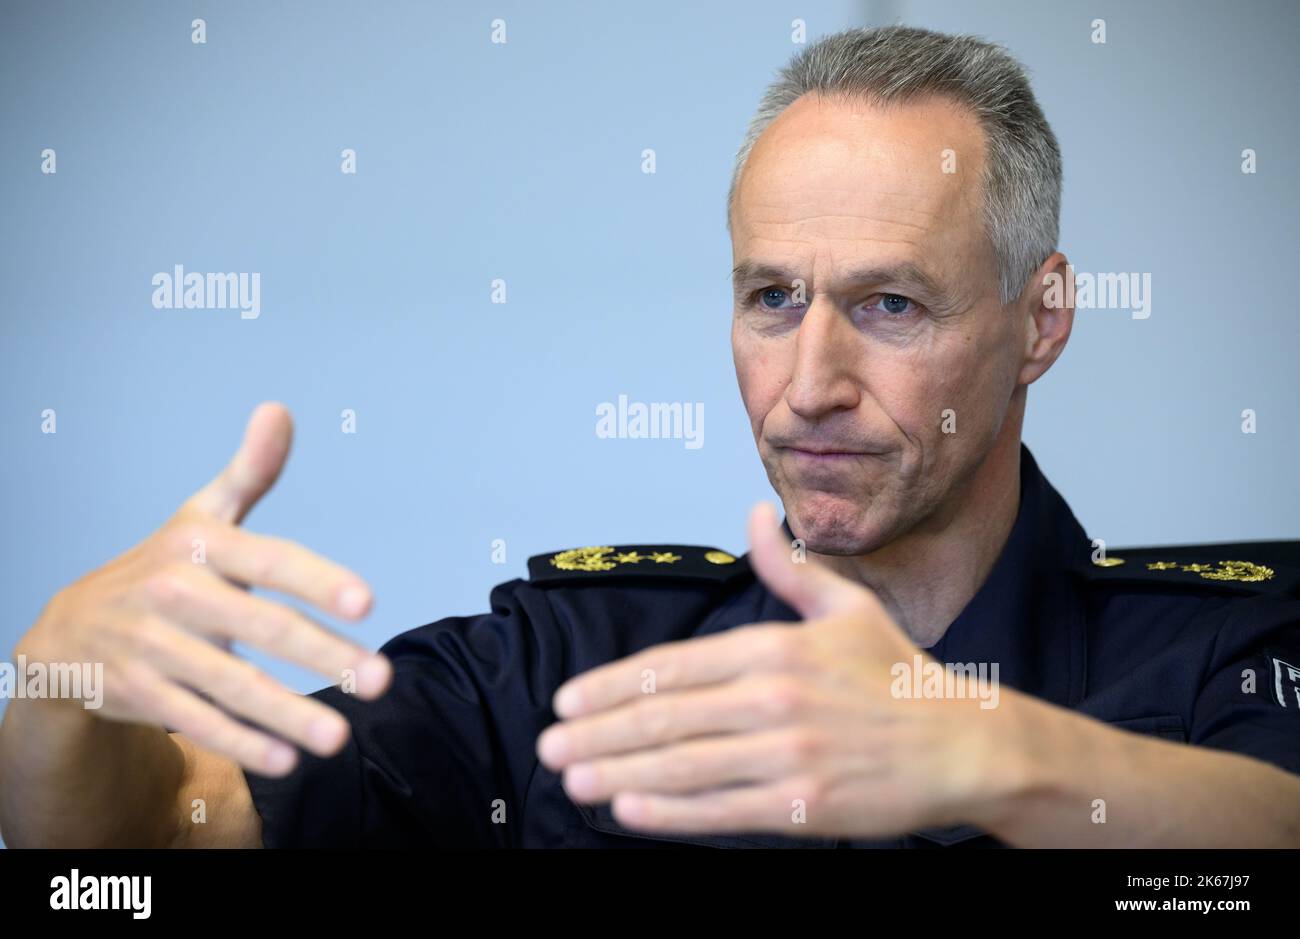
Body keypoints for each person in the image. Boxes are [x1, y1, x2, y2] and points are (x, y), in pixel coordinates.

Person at [2, 25, 1298, 850]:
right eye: (771, 299)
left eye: (889, 305)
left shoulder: (1223, 652)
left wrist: (992, 754)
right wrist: (57, 692)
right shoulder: (574, 671)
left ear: (1041, 323)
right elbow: (153, 855)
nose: (810, 383)